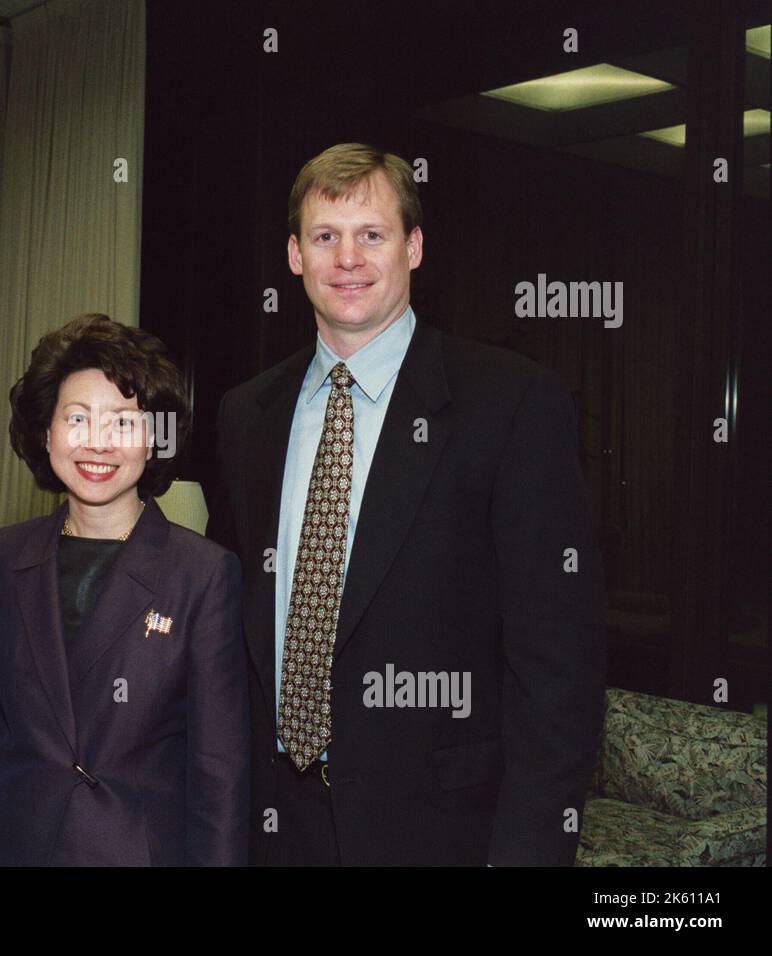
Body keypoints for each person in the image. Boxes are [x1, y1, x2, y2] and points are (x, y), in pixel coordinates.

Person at [205, 143, 607, 866]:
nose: (347, 258)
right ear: (295, 255)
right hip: (271, 824)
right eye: (325, 236)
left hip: (440, 832)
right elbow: (232, 621)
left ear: (414, 247)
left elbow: (558, 667)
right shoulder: (246, 415)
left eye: (373, 234)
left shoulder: (510, 403)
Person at [0, 314, 249, 866]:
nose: (97, 442)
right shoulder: (1, 557)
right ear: (46, 432)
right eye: (76, 418)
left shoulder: (203, 575)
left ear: (153, 441)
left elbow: (220, 772)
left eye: (123, 421)